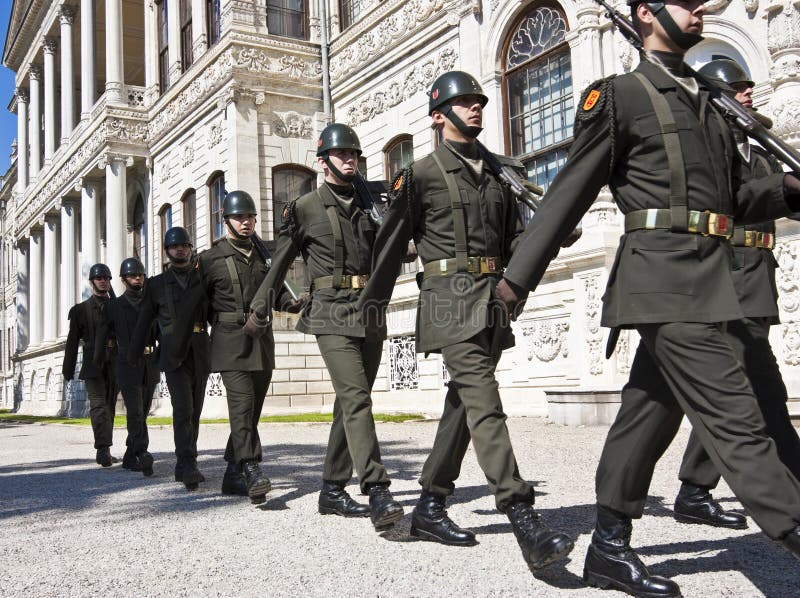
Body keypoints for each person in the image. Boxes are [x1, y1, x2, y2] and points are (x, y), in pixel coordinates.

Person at [493, 1, 800, 595]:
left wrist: (787, 190)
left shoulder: (708, 100)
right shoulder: (619, 95)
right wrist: (516, 280)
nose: (700, 10)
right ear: (646, 13)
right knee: (740, 418)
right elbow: (568, 193)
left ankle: (609, 547)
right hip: (663, 279)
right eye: (686, 2)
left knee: (646, 416)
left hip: (715, 282)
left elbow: (738, 196)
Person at [356, 72, 574, 569]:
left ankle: (430, 504)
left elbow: (513, 242)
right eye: (463, 103)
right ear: (439, 115)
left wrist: (549, 235)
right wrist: (371, 308)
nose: (475, 108)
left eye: (478, 101)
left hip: (495, 299)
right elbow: (388, 248)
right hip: (448, 301)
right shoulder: (421, 175)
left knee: (463, 404)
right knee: (483, 398)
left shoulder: (499, 174)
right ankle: (524, 520)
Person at [248, 124, 404, 529]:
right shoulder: (305, 208)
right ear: (323, 161)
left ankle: (332, 490)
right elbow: (279, 261)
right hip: (331, 312)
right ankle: (378, 488)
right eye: (341, 154)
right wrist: (260, 308)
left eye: (354, 154)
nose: (350, 159)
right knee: (357, 400)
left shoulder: (373, 202)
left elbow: (396, 248)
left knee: (349, 402)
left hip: (368, 310)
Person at [672, 58, 800, 530]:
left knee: (743, 384)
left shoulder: (761, 151)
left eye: (749, 87)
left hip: (758, 273)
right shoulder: (712, 147)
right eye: (739, 88)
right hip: (726, 272)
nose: (748, 94)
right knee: (751, 388)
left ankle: (693, 489)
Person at [198, 190, 301, 504]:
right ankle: (252, 468)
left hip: (261, 341)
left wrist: (293, 302)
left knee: (251, 412)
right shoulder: (209, 259)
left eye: (250, 217)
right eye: (239, 217)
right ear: (226, 220)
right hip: (229, 341)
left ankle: (232, 474)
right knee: (241, 407)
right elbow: (198, 305)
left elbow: (275, 292)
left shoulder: (264, 255)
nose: (245, 222)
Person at [130, 227, 210, 491]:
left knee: (195, 410)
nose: (180, 250)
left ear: (190, 248)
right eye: (175, 247)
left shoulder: (203, 279)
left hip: (200, 350)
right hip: (173, 353)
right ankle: (187, 463)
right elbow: (143, 322)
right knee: (183, 408)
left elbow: (214, 313)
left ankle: (185, 462)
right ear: (167, 251)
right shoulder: (155, 284)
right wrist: (133, 354)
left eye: (184, 246)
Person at [94, 258, 160, 476]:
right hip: (126, 363)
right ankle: (142, 452)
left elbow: (161, 332)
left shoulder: (152, 303)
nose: (138, 278)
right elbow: (102, 337)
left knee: (144, 411)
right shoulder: (112, 306)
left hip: (149, 363)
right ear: (123, 279)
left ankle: (131, 454)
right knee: (134, 411)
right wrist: (97, 365)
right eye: (133, 275)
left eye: (140, 275)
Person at [63, 263, 119, 467]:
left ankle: (107, 447)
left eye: (106, 278)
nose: (103, 281)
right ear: (92, 282)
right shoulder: (80, 310)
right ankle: (102, 449)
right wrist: (67, 368)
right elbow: (72, 341)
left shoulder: (117, 307)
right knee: (98, 406)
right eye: (99, 278)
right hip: (93, 363)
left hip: (114, 362)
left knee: (110, 405)